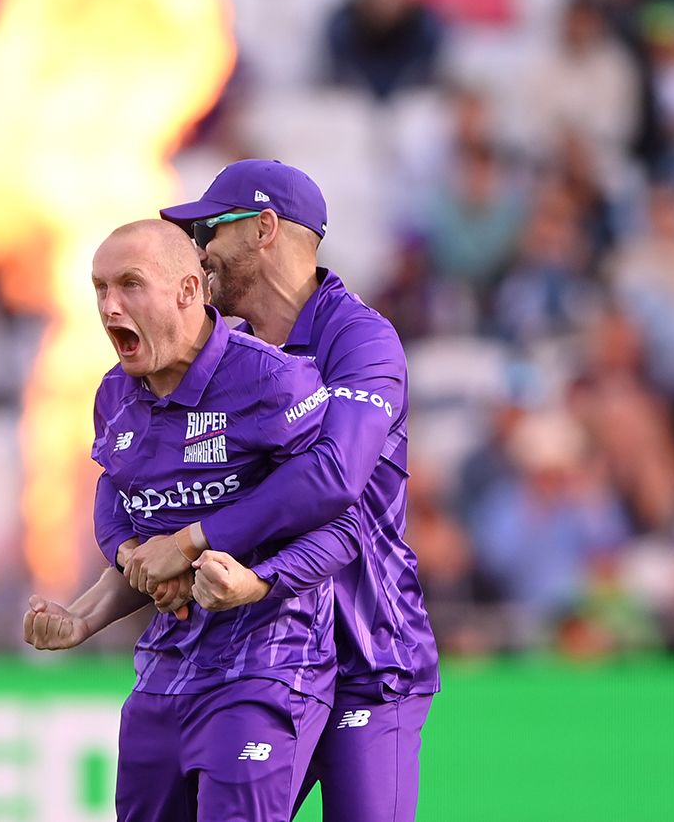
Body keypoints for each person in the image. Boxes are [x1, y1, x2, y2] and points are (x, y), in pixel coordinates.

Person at [123, 159, 440, 822]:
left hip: (367, 655)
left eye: (211, 228)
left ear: (265, 228)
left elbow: (334, 475)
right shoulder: (220, 347)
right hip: (257, 655)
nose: (199, 249)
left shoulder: (360, 338)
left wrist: (193, 542)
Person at [24, 220, 335, 822]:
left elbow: (336, 522)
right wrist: (85, 615)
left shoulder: (274, 381)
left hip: (267, 664)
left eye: (130, 284)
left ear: (189, 291)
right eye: (99, 288)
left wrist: (251, 579)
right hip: (164, 672)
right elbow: (120, 517)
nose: (109, 305)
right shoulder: (114, 395)